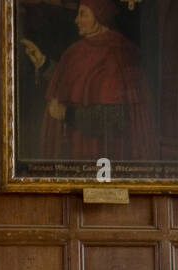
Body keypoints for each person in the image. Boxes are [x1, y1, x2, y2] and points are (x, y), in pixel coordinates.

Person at [23, 0, 155, 161]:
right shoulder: (77, 50)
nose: (76, 20)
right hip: (75, 145)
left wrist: (66, 113)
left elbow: (115, 120)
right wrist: (42, 63)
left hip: (103, 150)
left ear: (100, 16)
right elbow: (76, 84)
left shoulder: (116, 53)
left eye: (83, 14)